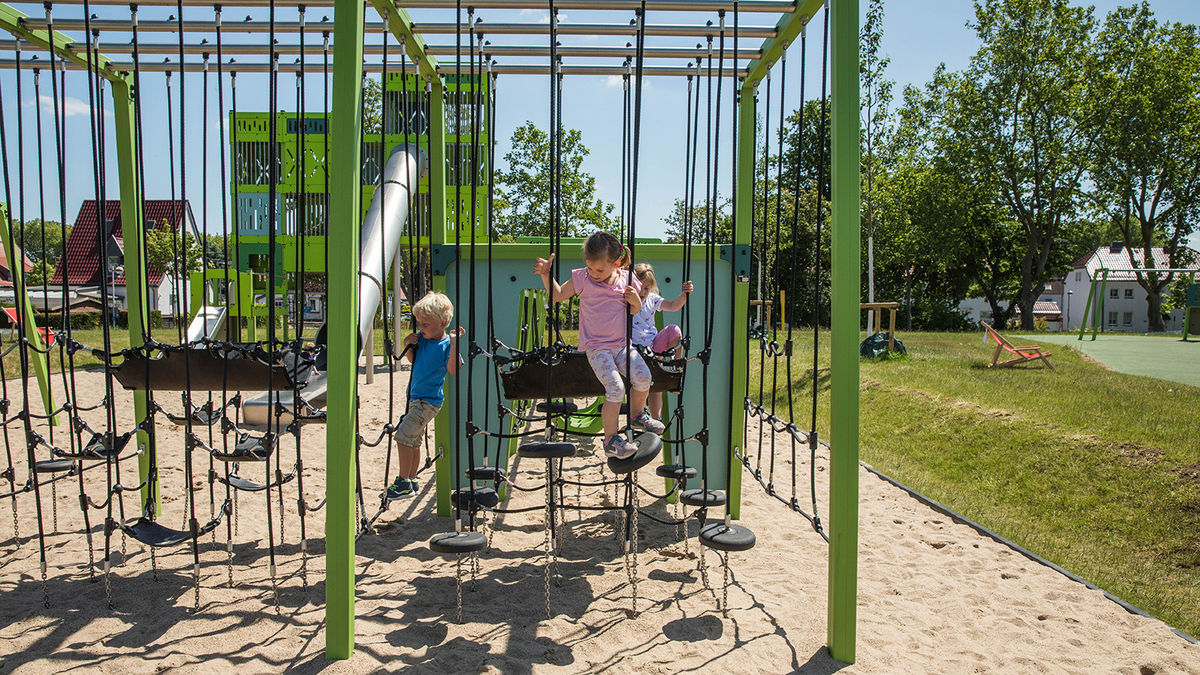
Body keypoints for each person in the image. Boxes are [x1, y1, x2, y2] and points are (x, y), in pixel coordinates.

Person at [532, 231, 666, 460]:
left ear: (616, 264)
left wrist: (634, 300)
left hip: (623, 345)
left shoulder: (626, 278)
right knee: (616, 388)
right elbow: (558, 295)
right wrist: (547, 275)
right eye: (590, 267)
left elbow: (633, 310)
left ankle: (636, 415)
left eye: (599, 270)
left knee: (644, 378)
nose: (593, 273)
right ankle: (611, 440)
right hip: (596, 347)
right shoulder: (583, 278)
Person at [385, 291, 463, 500]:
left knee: (402, 436)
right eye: (418, 323)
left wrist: (455, 344)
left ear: (443, 322)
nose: (420, 328)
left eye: (425, 324)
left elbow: (454, 369)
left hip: (427, 402)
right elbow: (414, 361)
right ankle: (411, 480)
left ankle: (402, 481)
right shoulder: (423, 340)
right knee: (414, 441)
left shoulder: (446, 345)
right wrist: (408, 345)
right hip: (416, 399)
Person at [631, 262, 692, 420]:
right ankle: (643, 415)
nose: (643, 292)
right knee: (652, 385)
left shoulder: (652, 299)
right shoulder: (626, 300)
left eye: (647, 288)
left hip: (653, 347)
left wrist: (684, 295)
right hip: (633, 350)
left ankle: (675, 367)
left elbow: (673, 305)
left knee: (674, 330)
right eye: (640, 287)